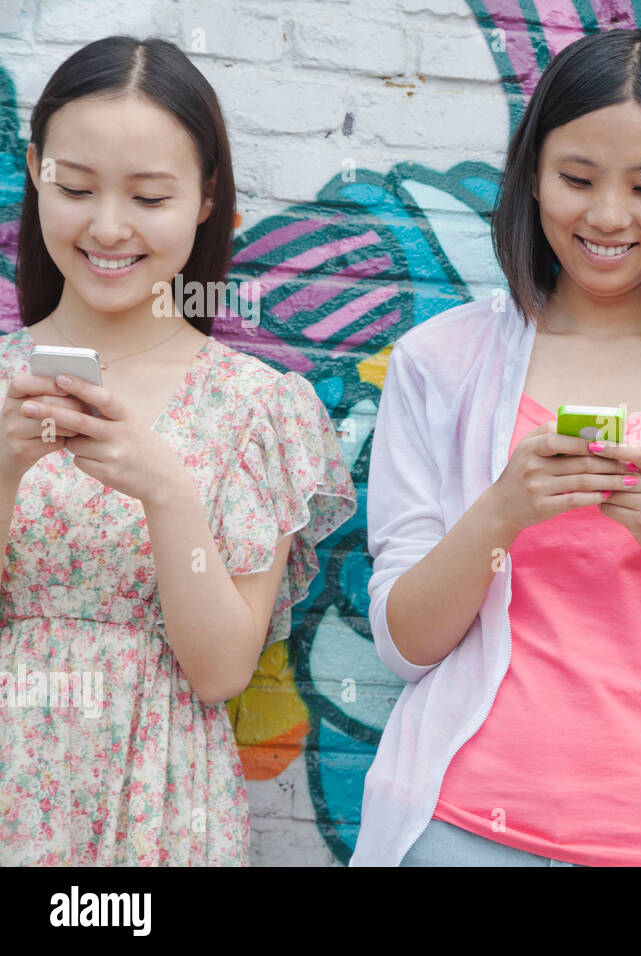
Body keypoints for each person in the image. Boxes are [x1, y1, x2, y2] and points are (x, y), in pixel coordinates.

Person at [351, 29, 641, 867]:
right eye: (575, 179)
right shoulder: (439, 362)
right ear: (531, 174)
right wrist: (501, 512)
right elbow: (404, 644)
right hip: (458, 826)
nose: (606, 217)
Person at [0, 36, 356, 865]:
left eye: (149, 196)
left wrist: (168, 494)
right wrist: (5, 470)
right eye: (77, 187)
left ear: (205, 199)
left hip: (158, 808)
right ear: (36, 172)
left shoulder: (258, 409)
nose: (109, 227)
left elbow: (220, 671)